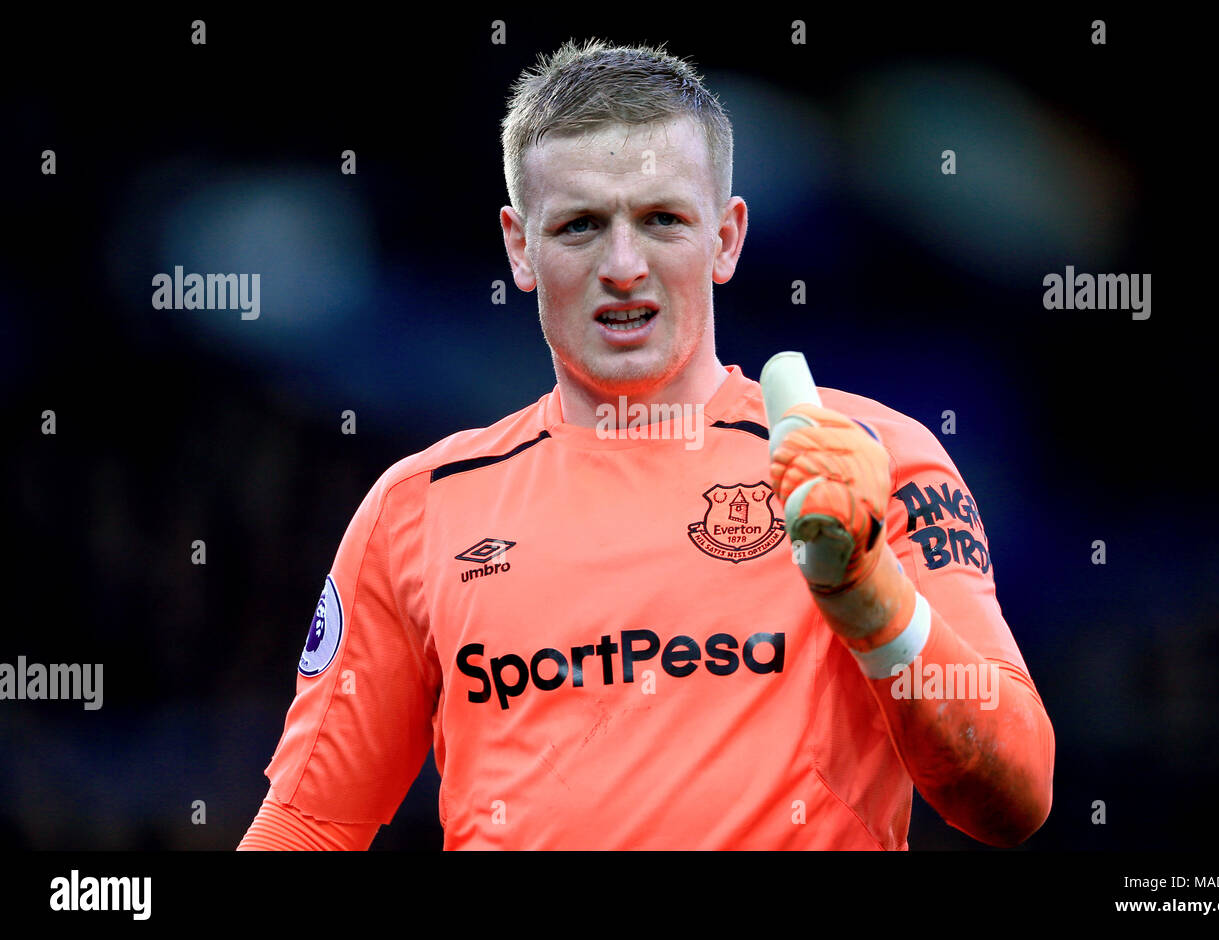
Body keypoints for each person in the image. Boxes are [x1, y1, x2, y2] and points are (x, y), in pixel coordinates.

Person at [238, 38, 1054, 851]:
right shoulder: (421, 508)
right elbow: (311, 824)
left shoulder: (869, 460)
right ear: (521, 247)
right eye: (581, 226)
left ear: (727, 238)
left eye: (662, 219)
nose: (622, 266)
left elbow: (1014, 798)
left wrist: (869, 598)